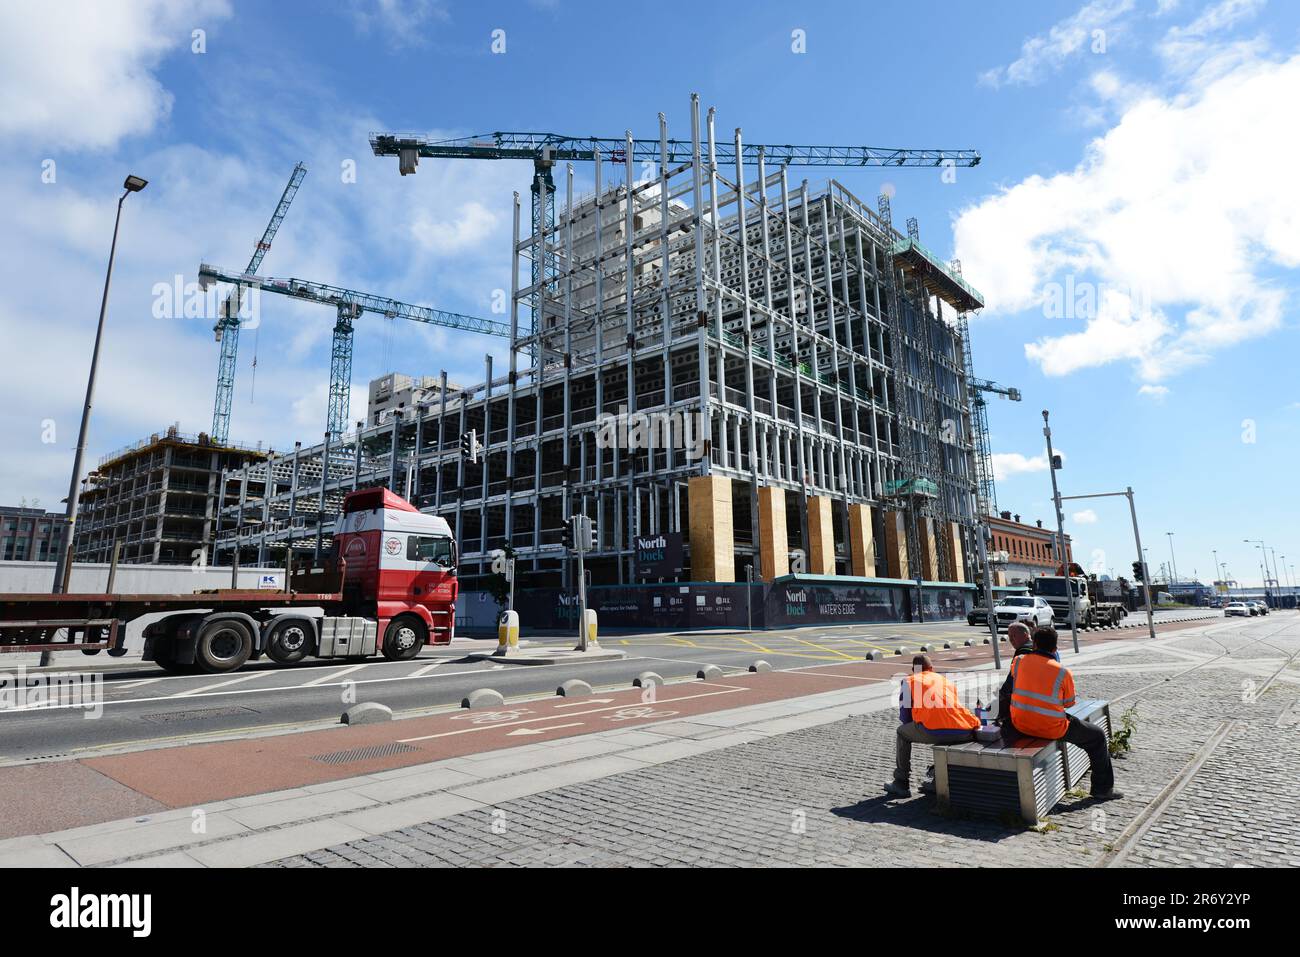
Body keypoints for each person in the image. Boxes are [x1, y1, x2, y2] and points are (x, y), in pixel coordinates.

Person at [1007, 627, 1123, 801]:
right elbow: (1069, 703)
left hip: (1020, 724)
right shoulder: (1062, 672)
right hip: (1050, 728)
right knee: (1097, 736)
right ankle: (1102, 789)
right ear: (1055, 648)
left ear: (1035, 644)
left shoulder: (1018, 661)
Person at [884, 654, 980, 798]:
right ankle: (938, 779)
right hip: (964, 729)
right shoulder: (944, 680)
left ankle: (901, 782)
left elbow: (905, 718)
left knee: (902, 733)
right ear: (932, 668)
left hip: (935, 730)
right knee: (941, 733)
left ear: (913, 669)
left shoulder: (910, 681)